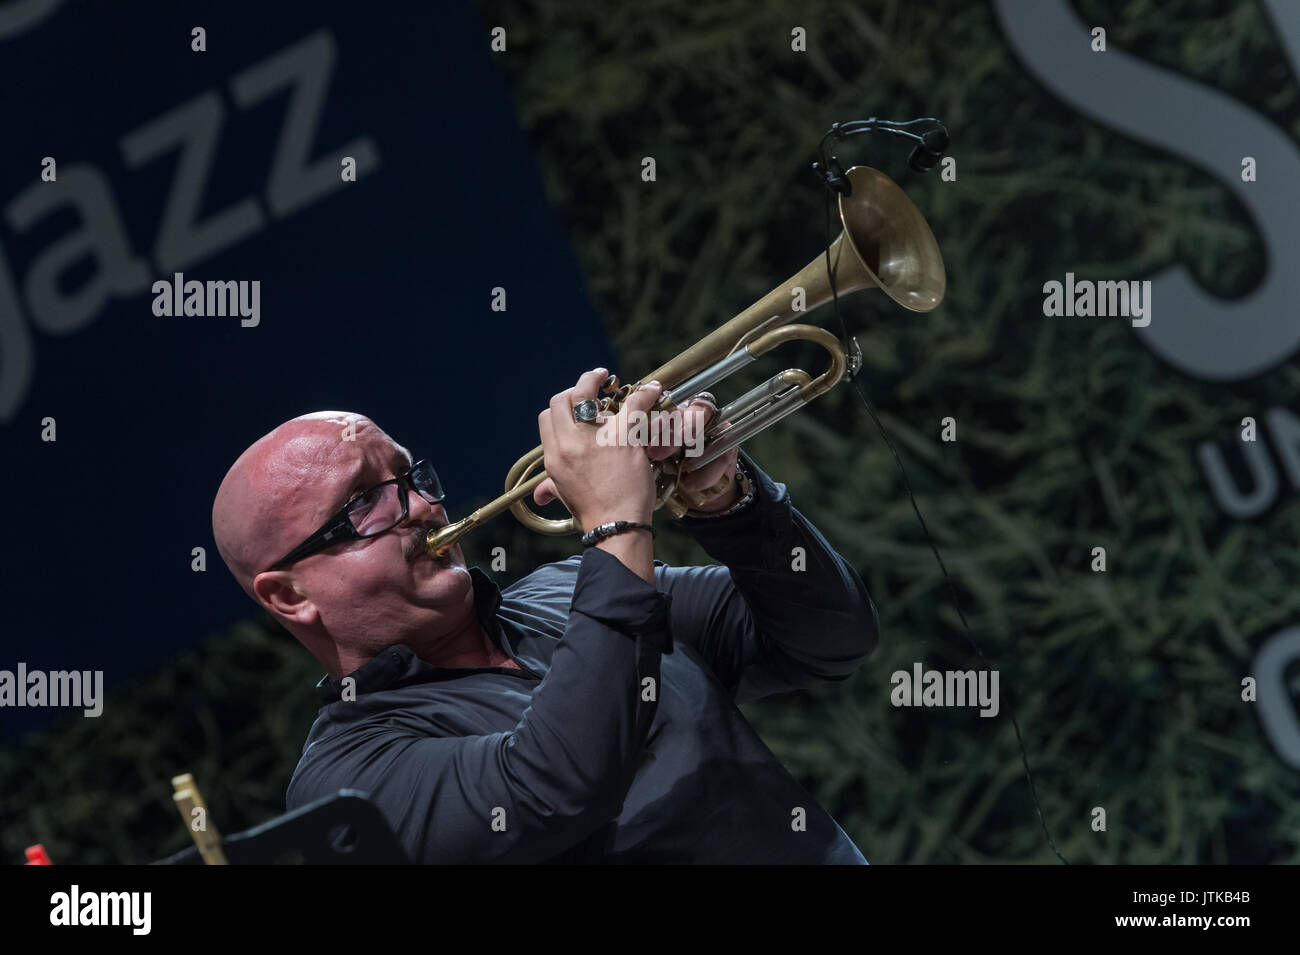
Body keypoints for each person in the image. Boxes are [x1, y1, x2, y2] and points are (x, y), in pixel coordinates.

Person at [211, 368, 879, 863]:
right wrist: (617, 522)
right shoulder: (348, 777)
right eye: (363, 504)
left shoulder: (565, 591)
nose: (420, 507)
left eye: (410, 477)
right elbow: (554, 785)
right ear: (290, 595)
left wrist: (727, 501)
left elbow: (833, 638)